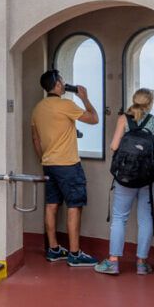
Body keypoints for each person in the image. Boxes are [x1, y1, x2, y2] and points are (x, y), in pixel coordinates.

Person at [95, 88, 154, 276]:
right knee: (145, 219)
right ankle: (142, 264)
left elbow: (113, 146)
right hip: (149, 179)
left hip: (125, 178)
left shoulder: (123, 119)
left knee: (119, 218)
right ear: (150, 103)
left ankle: (113, 262)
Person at [31, 69, 99, 267]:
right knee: (74, 206)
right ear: (58, 84)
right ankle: (75, 253)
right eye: (62, 81)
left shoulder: (38, 108)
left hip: (49, 164)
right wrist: (84, 98)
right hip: (68, 164)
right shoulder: (66, 104)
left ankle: (53, 249)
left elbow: (35, 139)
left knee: (51, 205)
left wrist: (43, 158)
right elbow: (94, 119)